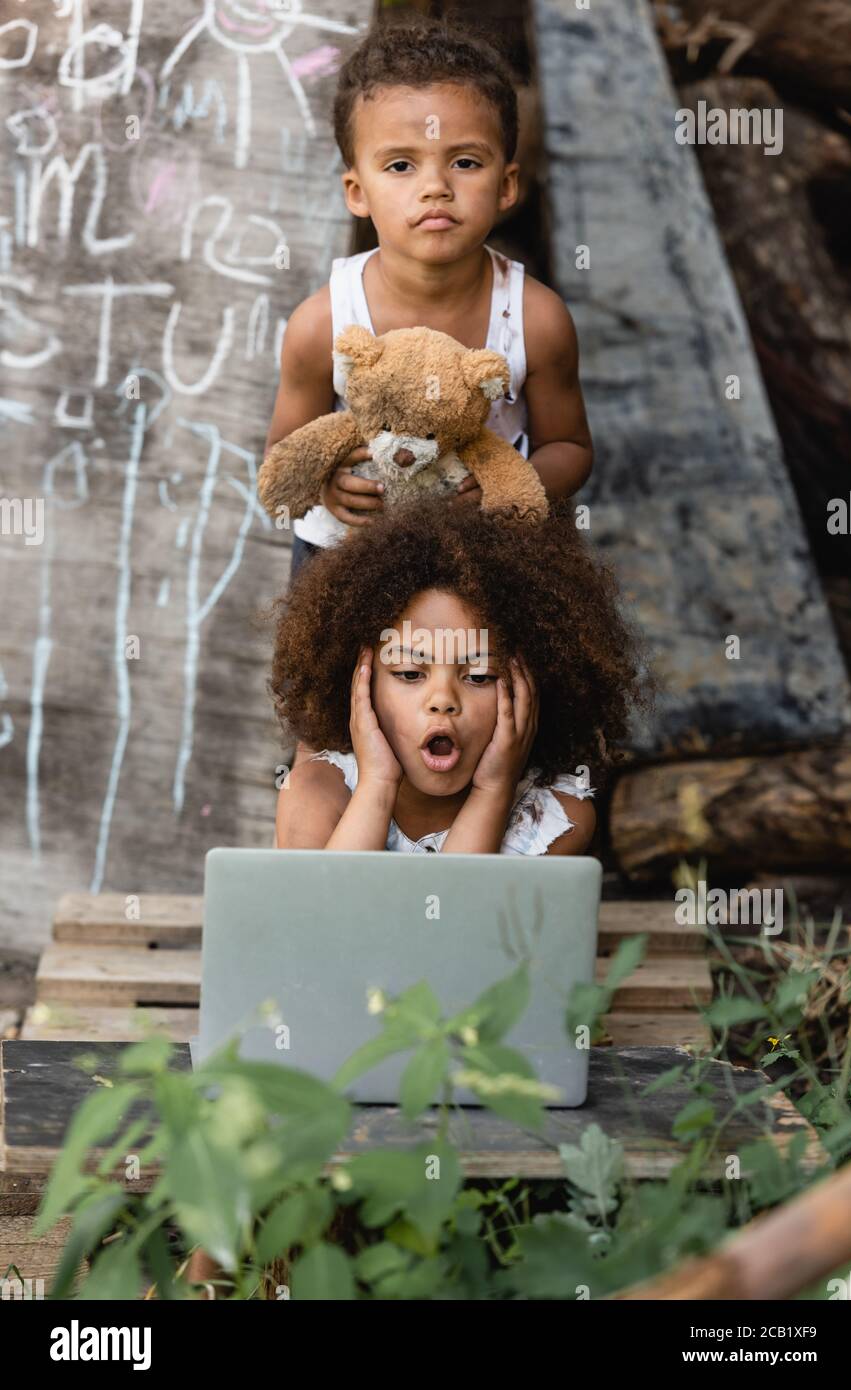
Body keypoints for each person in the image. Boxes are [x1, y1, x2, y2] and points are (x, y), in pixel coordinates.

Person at [263, 14, 594, 765]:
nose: (435, 187)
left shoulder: (534, 319)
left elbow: (572, 448)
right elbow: (283, 459)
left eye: (466, 163)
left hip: (493, 558)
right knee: (337, 726)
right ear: (356, 188)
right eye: (401, 165)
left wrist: (509, 491)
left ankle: (478, 858)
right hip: (348, 560)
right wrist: (328, 488)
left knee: (492, 721)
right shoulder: (323, 324)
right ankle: (338, 844)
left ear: (508, 183)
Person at [270, 499, 647, 856]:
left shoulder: (555, 820)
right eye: (410, 673)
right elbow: (329, 920)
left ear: (533, 687)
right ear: (361, 686)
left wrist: (493, 792)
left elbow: (453, 922)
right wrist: (377, 786)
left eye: (479, 676)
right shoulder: (314, 792)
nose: (443, 698)